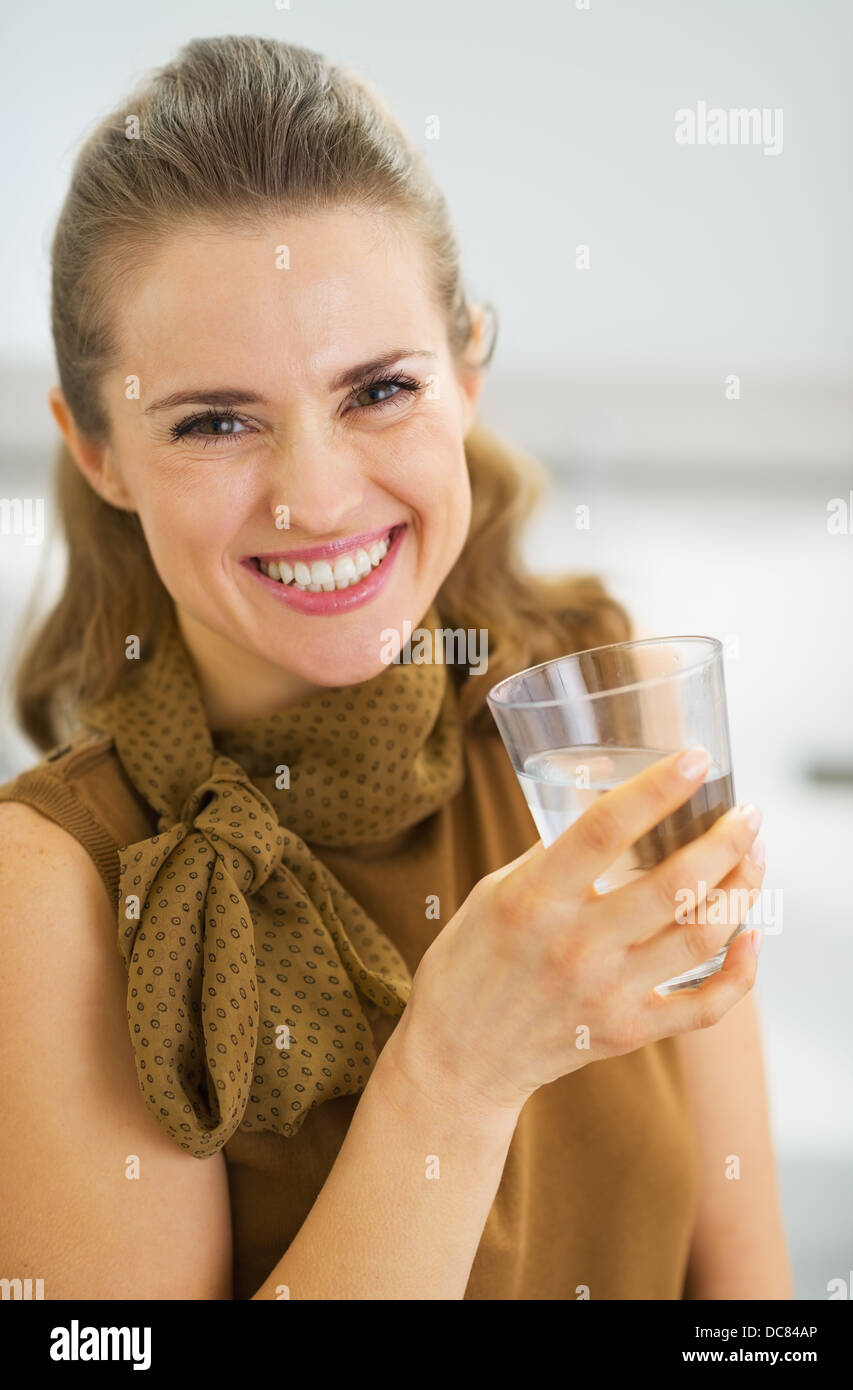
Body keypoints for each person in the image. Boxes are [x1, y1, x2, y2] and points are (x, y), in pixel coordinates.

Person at [0, 34, 791, 1300]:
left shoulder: (595, 713)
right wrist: (455, 1075)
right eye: (215, 420)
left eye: (379, 390)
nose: (316, 497)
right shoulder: (56, 892)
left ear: (468, 370)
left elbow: (748, 1311)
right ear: (96, 449)